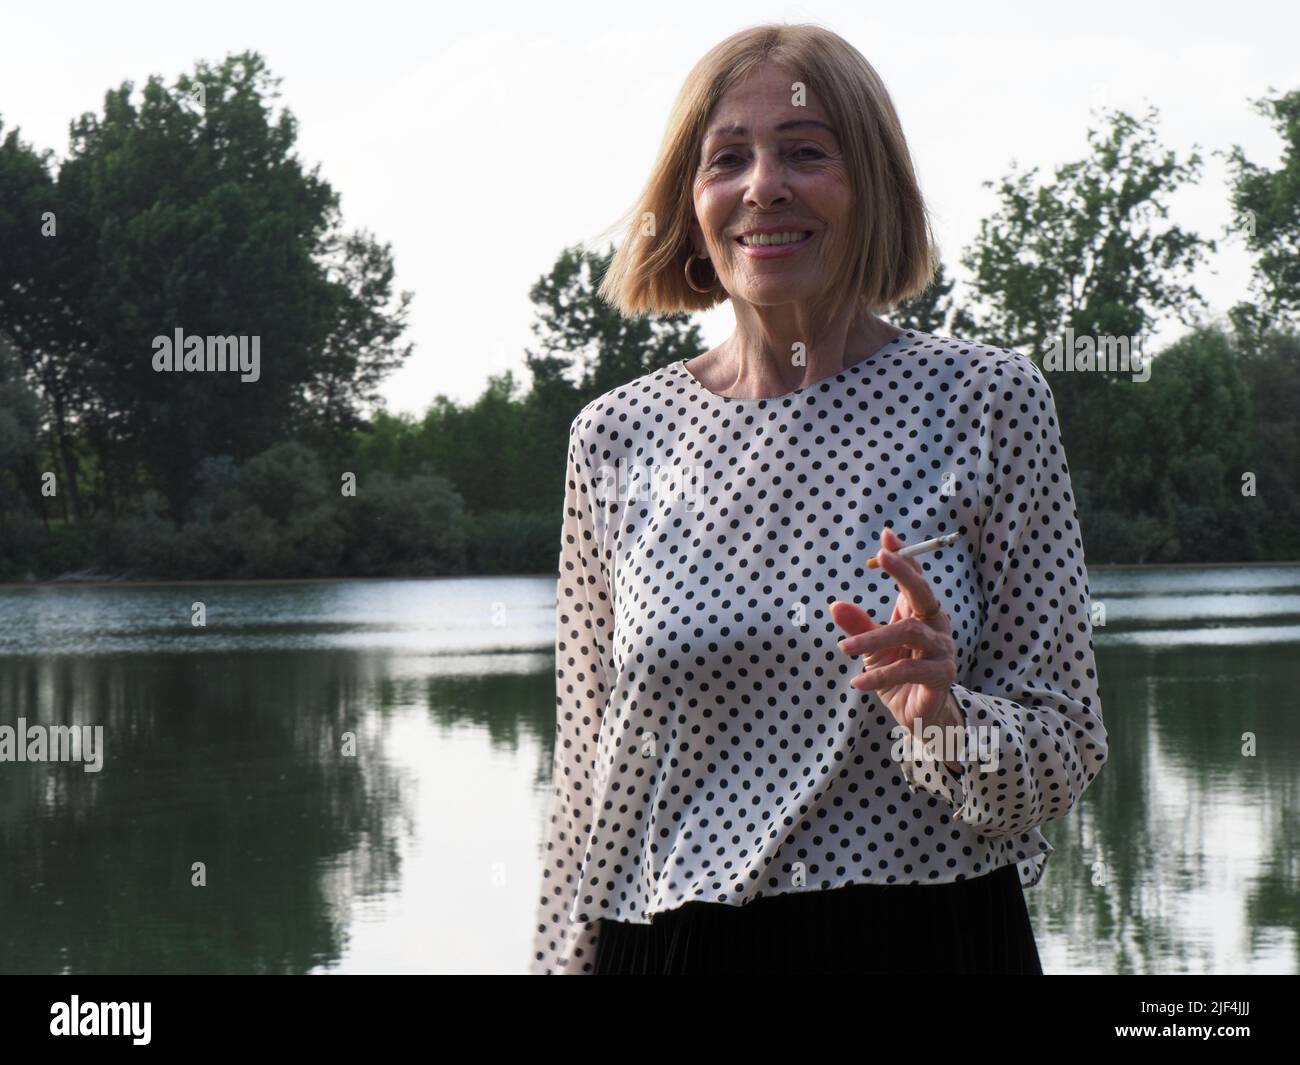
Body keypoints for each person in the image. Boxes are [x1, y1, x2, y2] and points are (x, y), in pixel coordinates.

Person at [530, 22, 1107, 975]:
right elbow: (588, 778)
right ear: (691, 203)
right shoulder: (613, 436)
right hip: (672, 948)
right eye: (728, 159)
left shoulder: (989, 401)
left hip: (925, 941)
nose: (764, 186)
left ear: (872, 185)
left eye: (805, 152)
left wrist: (941, 716)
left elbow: (1065, 743)